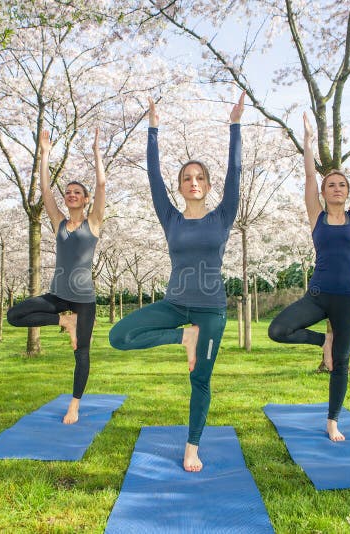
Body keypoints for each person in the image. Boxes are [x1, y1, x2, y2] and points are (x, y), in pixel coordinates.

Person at [108, 93, 245, 472]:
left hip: (211, 310)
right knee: (119, 336)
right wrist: (152, 130)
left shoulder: (222, 216)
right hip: (175, 306)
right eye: (187, 178)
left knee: (200, 380)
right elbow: (153, 176)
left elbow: (236, 172)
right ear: (180, 186)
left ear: (208, 185)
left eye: (200, 177)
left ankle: (192, 446)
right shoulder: (171, 218)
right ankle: (183, 338)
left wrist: (235, 126)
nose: (193, 182)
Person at [267, 108, 350, 442]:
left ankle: (333, 421)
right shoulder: (317, 216)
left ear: (348, 191)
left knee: (341, 362)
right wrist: (308, 142)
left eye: (342, 184)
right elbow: (309, 178)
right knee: (278, 330)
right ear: (324, 193)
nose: (337, 188)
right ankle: (322, 340)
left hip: (349, 300)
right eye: (331, 185)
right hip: (318, 295)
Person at [6, 128, 106, 425]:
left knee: (82, 352)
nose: (71, 195)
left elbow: (102, 184)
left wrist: (97, 153)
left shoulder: (94, 223)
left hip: (84, 298)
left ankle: (74, 404)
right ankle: (65, 321)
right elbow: (46, 192)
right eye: (69, 192)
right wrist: (45, 156)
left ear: (86, 200)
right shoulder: (59, 223)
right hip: (59, 295)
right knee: (15, 315)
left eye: (78, 192)